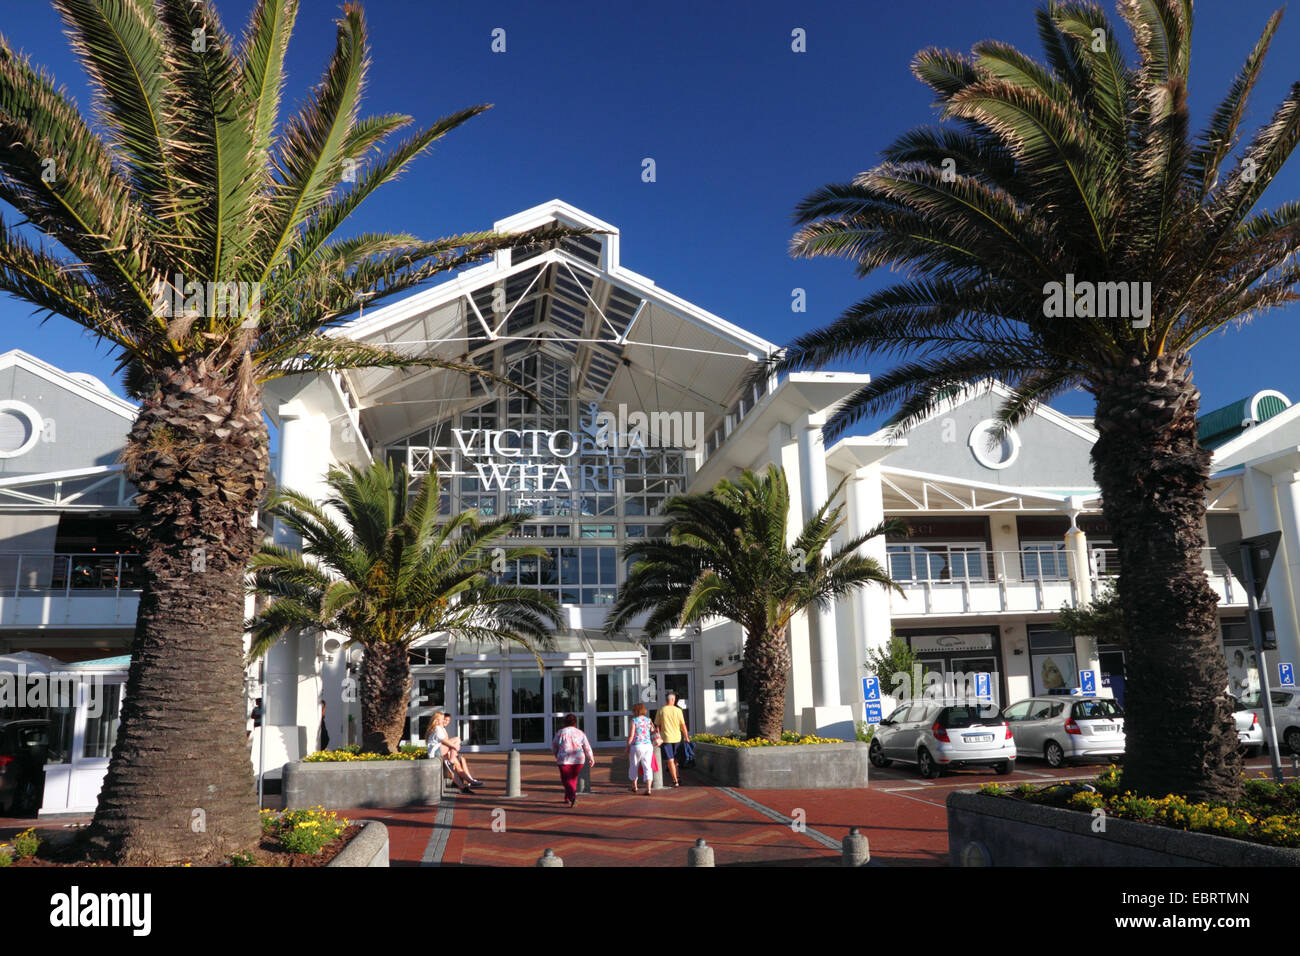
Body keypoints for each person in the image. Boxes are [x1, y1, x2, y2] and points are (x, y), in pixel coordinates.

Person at [429, 711, 480, 792]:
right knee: (457, 739)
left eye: (446, 720)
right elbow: (445, 741)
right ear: (437, 720)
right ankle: (469, 781)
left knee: (452, 769)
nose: (444, 721)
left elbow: (446, 742)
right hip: (437, 751)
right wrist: (455, 747)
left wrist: (454, 748)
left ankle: (463, 787)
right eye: (443, 719)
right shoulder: (437, 728)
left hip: (441, 751)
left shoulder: (440, 729)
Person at [551, 713, 595, 808]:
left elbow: (554, 745)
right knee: (573, 779)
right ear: (575, 722)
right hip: (578, 759)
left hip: (564, 759)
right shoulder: (580, 733)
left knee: (565, 779)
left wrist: (555, 753)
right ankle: (567, 797)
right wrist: (591, 758)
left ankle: (572, 797)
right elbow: (586, 746)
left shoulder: (561, 732)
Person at [654, 691, 690, 787]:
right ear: (673, 700)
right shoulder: (678, 711)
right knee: (675, 759)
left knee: (670, 759)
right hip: (677, 738)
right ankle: (677, 777)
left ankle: (675, 781)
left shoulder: (661, 710)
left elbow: (657, 725)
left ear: (667, 700)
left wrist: (657, 736)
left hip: (666, 738)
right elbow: (683, 725)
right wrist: (686, 737)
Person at [625, 702, 656, 795]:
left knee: (634, 765)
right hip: (648, 746)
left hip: (637, 745)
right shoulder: (648, 720)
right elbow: (652, 730)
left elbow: (631, 735)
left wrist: (627, 746)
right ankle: (649, 788)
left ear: (635, 711)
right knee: (647, 767)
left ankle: (634, 786)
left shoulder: (634, 721)